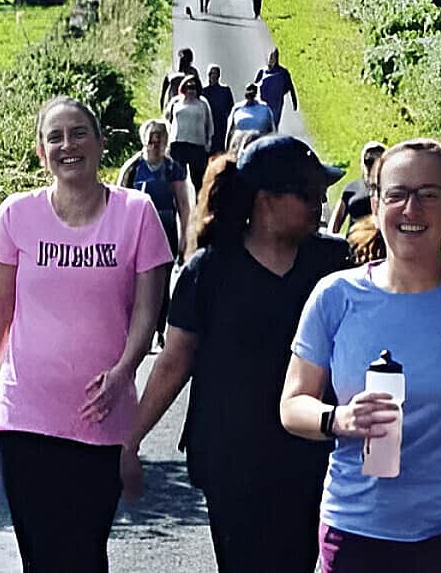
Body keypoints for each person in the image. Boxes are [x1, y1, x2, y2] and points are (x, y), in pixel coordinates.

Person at [281, 139, 441, 573]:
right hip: (358, 526)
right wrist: (339, 419)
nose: (411, 209)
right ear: (377, 205)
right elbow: (292, 405)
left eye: (428, 195)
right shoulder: (335, 296)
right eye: (397, 195)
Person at [0, 96, 173, 573]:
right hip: (25, 416)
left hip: (101, 416)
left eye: (79, 133)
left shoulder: (136, 213)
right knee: (40, 557)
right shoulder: (17, 216)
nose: (68, 145)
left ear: (101, 143)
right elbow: (1, 310)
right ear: (41, 152)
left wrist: (124, 373)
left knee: (83, 552)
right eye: (54, 137)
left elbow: (147, 311)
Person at [123, 136, 349, 571]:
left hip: (314, 453)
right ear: (266, 200)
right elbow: (173, 361)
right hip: (232, 458)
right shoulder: (208, 270)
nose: (321, 204)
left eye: (323, 193)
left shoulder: (335, 263)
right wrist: (130, 440)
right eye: (309, 194)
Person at [118, 119, 191, 349]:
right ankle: (136, 331)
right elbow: (118, 203)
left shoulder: (172, 169)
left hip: (165, 229)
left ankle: (159, 331)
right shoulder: (132, 168)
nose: (155, 143)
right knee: (136, 284)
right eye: (152, 138)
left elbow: (183, 205)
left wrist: (185, 239)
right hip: (137, 231)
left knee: (161, 283)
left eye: (160, 138)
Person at [164, 74, 215, 195]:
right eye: (188, 87)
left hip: (197, 144)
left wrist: (208, 142)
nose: (191, 90)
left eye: (193, 87)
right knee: (177, 178)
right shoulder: (176, 102)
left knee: (198, 179)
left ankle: (200, 207)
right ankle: (177, 205)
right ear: (183, 88)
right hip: (178, 144)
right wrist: (168, 139)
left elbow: (209, 123)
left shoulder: (203, 103)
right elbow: (167, 119)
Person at [328, 141, 387, 235]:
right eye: (368, 160)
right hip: (353, 245)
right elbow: (335, 223)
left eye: (378, 160)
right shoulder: (351, 188)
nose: (372, 165)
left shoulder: (392, 189)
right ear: (362, 163)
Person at [254, 48, 298, 129]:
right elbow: (254, 87)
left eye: (273, 57)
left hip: (276, 105)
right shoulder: (262, 71)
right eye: (270, 57)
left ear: (276, 58)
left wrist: (294, 103)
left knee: (273, 126)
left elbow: (290, 87)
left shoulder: (282, 72)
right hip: (263, 105)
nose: (270, 59)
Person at [225, 83, 275, 148]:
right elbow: (230, 130)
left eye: (253, 91)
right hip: (241, 143)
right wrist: (227, 147)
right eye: (249, 90)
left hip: (260, 143)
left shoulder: (264, 108)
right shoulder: (238, 108)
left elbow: (271, 129)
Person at [201, 64, 235, 155]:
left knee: (220, 149)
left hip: (221, 124)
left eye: (214, 73)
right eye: (210, 73)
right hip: (207, 123)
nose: (212, 76)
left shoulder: (225, 90)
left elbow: (231, 108)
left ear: (218, 75)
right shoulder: (203, 91)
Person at [160, 47, 202, 112]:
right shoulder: (172, 74)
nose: (183, 61)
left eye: (186, 59)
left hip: (188, 105)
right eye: (182, 58)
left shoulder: (193, 72)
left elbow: (199, 89)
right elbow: (163, 92)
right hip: (173, 105)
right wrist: (162, 107)